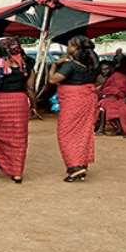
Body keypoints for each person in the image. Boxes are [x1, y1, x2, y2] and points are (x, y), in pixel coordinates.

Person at [0, 37, 36, 183]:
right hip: (19, 103)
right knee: (18, 137)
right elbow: (30, 88)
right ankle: (17, 171)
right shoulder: (27, 64)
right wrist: (34, 105)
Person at [48, 35, 99, 182]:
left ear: (76, 48)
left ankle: (75, 167)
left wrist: (54, 65)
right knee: (83, 132)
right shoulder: (93, 65)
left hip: (73, 101)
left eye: (69, 45)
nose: (67, 48)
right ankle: (81, 163)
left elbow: (52, 80)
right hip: (87, 100)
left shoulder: (70, 65)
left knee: (66, 133)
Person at [95, 60, 126, 135]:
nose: (104, 71)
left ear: (112, 68)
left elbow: (122, 92)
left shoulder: (120, 77)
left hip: (118, 99)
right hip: (108, 98)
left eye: (106, 69)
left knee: (104, 103)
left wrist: (107, 92)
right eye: (103, 69)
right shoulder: (107, 78)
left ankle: (103, 128)